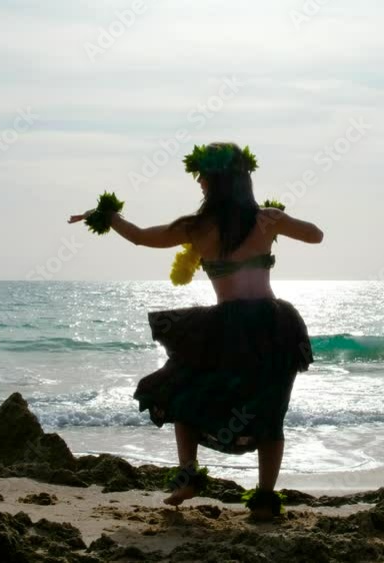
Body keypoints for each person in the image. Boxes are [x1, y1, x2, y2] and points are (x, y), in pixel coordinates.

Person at [67, 142, 323, 520]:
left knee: (184, 393)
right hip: (271, 326)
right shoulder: (265, 220)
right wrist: (280, 220)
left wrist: (106, 215)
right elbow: (316, 235)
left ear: (218, 179)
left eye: (203, 174)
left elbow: (139, 236)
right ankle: (262, 500)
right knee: (266, 409)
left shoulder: (196, 227)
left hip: (230, 328)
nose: (199, 181)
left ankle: (193, 479)